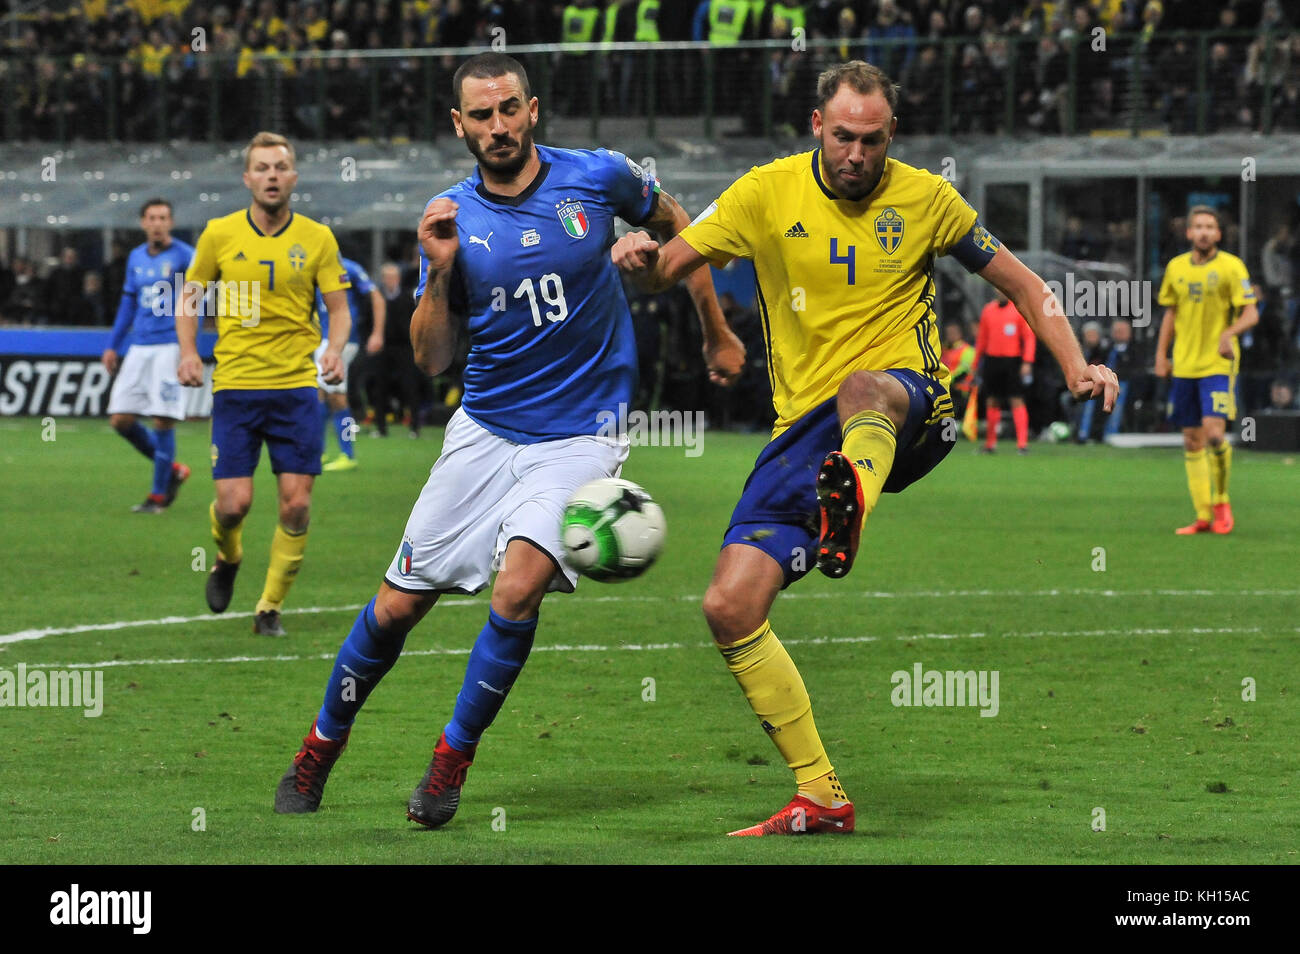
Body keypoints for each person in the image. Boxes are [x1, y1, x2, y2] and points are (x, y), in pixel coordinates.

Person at [613, 60, 1117, 836]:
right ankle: (821, 793)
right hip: (802, 432)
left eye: (872, 140)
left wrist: (1075, 363)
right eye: (843, 136)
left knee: (862, 388)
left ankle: (849, 502)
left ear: (893, 137)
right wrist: (638, 259)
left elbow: (1023, 284)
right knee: (728, 606)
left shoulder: (927, 198)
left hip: (913, 405)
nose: (856, 154)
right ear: (817, 126)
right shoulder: (763, 193)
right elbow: (669, 270)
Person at [272, 52, 743, 825]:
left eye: (509, 110)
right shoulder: (449, 217)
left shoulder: (601, 177)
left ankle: (449, 762)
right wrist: (437, 271)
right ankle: (320, 747)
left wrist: (711, 326)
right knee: (394, 608)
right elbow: (429, 361)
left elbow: (681, 228)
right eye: (480, 116)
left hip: (581, 437)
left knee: (517, 586)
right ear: (460, 125)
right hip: (484, 429)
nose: (498, 127)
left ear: (533, 110)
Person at [177, 131, 353, 637]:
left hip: (297, 388)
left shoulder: (318, 238)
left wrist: (335, 350)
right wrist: (189, 352)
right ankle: (227, 557)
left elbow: (339, 310)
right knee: (234, 505)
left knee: (296, 506)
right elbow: (190, 298)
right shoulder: (218, 234)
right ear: (247, 178)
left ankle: (269, 608)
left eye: (280, 167)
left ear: (293, 177)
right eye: (262, 168)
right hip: (235, 386)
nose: (272, 176)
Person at [1154, 205, 1258, 536]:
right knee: (1191, 440)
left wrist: (1229, 333)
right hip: (1185, 363)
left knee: (1214, 435)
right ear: (1188, 233)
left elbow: (1251, 313)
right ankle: (1201, 516)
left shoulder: (1232, 267)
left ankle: (1222, 501)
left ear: (1218, 233)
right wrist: (1161, 355)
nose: (1203, 232)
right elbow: (1170, 314)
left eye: (1209, 227)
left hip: (1218, 363)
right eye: (1197, 226)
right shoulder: (1176, 268)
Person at [102, 198, 195, 513]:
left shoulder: (185, 256)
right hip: (139, 347)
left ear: (171, 222)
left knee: (162, 420)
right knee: (120, 419)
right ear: (143, 223)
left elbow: (199, 298)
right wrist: (114, 344)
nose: (157, 223)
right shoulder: (136, 257)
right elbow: (128, 302)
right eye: (152, 218)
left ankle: (157, 497)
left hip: (169, 346)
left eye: (163, 218)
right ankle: (173, 470)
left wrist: (189, 349)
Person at [315, 255, 385, 472]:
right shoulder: (313, 266)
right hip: (325, 338)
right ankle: (319, 451)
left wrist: (377, 333)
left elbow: (377, 298)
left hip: (339, 339)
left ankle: (347, 454)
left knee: (335, 396)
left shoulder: (349, 267)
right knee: (322, 393)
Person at [975, 290, 1036, 453]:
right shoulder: (988, 310)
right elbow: (982, 338)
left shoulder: (1018, 310)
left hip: (1012, 361)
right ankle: (990, 443)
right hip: (992, 360)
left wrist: (1027, 361)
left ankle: (1022, 444)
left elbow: (1029, 338)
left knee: (1016, 399)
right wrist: (976, 363)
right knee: (992, 400)